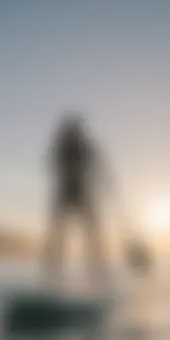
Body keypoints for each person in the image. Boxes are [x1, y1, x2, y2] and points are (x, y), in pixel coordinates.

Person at [44, 113, 105, 285]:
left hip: (78, 194)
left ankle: (97, 274)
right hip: (68, 195)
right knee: (60, 236)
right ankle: (51, 275)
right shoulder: (65, 147)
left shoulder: (81, 147)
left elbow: (98, 166)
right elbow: (52, 163)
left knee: (90, 236)